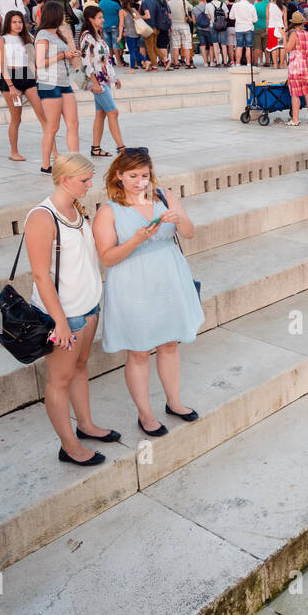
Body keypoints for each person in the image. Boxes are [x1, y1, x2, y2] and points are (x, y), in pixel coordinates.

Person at [93, 148, 202, 436]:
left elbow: (189, 233)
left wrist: (177, 219)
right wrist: (137, 239)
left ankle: (174, 402)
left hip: (168, 278)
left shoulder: (163, 196)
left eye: (144, 175)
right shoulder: (109, 210)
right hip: (133, 284)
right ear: (119, 175)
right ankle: (145, 413)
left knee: (170, 344)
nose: (140, 181)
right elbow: (107, 258)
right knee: (139, 351)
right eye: (133, 176)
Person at [25, 153, 114, 466]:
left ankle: (86, 425)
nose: (90, 185)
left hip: (88, 305)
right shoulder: (41, 217)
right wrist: (60, 323)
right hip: (63, 315)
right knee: (58, 380)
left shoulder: (77, 209)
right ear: (64, 180)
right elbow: (39, 275)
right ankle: (69, 446)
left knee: (81, 366)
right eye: (84, 180)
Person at [0, 10, 45, 161]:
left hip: (27, 77)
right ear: (8, 23)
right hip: (12, 80)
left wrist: (37, 73)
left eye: (20, 22)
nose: (18, 25)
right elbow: (2, 65)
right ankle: (14, 152)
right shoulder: (3, 39)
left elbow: (33, 58)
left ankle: (53, 151)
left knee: (42, 115)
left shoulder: (27, 38)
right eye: (14, 22)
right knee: (16, 118)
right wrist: (11, 87)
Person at [34, 1, 82, 174]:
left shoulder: (58, 34)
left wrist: (70, 56)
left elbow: (60, 57)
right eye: (61, 13)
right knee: (52, 127)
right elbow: (40, 63)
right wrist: (63, 54)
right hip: (49, 83)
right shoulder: (43, 36)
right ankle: (46, 164)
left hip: (64, 82)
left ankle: (75, 161)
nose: (64, 16)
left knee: (73, 123)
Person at [79, 4, 126, 157]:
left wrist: (114, 77)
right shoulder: (87, 37)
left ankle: (96, 148)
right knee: (113, 112)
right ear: (90, 19)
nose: (102, 20)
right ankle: (121, 148)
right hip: (97, 81)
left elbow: (105, 60)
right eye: (99, 18)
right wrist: (95, 83)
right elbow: (86, 61)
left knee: (101, 114)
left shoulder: (98, 36)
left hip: (104, 79)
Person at [283, 11, 308, 126]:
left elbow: (288, 48)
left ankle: (295, 119)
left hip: (296, 66)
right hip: (306, 66)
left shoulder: (294, 34)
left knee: (295, 94)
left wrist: (284, 36)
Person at [167, 0, 195, 69]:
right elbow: (191, 8)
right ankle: (187, 63)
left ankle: (176, 64)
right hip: (184, 25)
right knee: (187, 45)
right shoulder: (184, 2)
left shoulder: (169, 3)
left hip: (174, 25)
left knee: (175, 46)